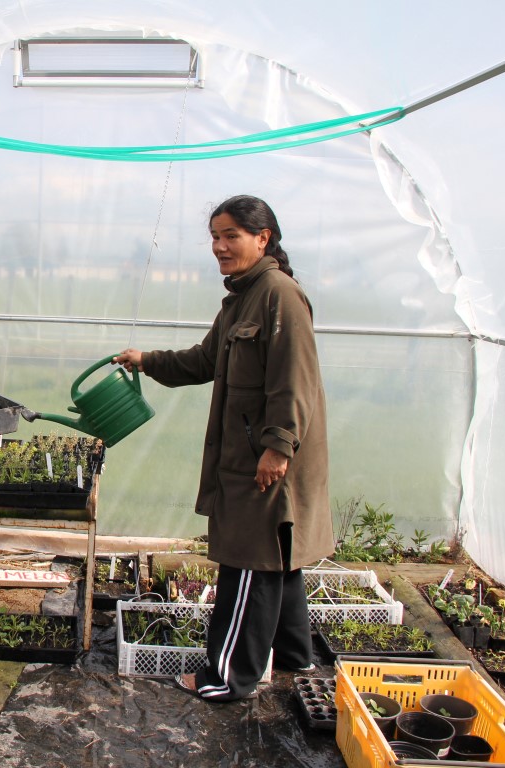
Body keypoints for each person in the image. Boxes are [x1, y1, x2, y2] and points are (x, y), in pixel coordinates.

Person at [114, 194, 333, 702]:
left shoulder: (279, 295)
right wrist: (147, 360)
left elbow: (294, 382)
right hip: (254, 456)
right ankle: (297, 660)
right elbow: (204, 360)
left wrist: (278, 447)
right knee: (281, 558)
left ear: (264, 238)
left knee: (251, 563)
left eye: (231, 235)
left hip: (269, 460)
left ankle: (227, 677)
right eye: (214, 236)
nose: (219, 246)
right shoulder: (243, 298)